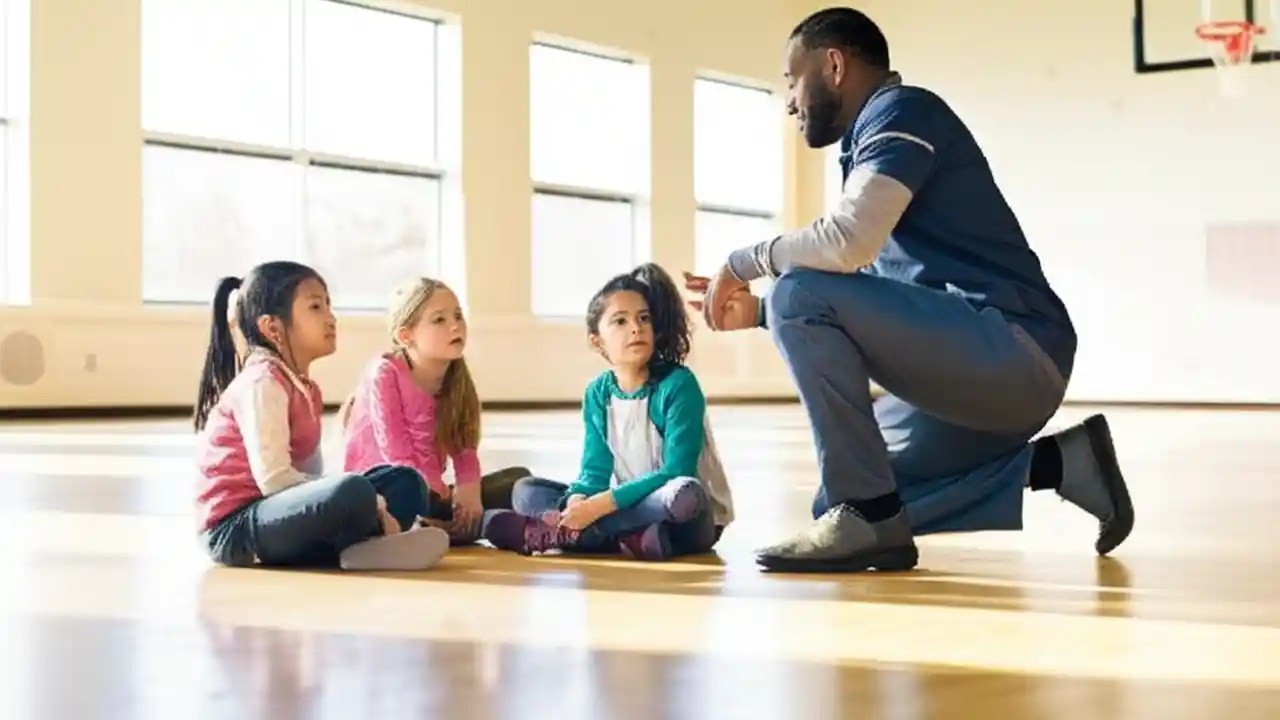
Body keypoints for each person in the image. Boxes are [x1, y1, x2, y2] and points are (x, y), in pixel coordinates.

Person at [685, 7, 1133, 572]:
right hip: (979, 370)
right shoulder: (871, 142)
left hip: (1014, 348)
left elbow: (847, 242)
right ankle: (1062, 464)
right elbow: (875, 288)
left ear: (834, 65)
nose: (790, 103)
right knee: (850, 496)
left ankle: (869, 516)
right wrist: (758, 311)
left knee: (798, 297)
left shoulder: (902, 111)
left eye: (792, 81)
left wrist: (743, 263)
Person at [194, 261, 450, 571]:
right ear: (272, 328)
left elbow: (309, 477)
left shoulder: (304, 387)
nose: (331, 317)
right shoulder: (263, 383)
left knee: (406, 482)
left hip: (276, 511)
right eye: (316, 307)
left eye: (329, 306)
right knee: (353, 491)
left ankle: (360, 548)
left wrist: (365, 496)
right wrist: (370, 500)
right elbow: (275, 480)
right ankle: (361, 545)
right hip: (235, 530)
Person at [483, 263, 735, 561]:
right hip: (632, 509)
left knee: (684, 494)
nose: (636, 328)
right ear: (596, 340)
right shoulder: (597, 393)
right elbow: (594, 473)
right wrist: (578, 500)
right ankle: (631, 539)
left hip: (686, 517)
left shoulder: (678, 385)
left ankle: (569, 535)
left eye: (644, 318)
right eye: (620, 321)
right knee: (526, 491)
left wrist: (596, 508)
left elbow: (675, 471)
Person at [341, 277, 532, 544]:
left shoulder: (457, 377)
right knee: (410, 489)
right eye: (439, 320)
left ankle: (448, 527)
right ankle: (452, 527)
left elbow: (464, 447)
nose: (455, 326)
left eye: (458, 316)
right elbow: (397, 454)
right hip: (388, 491)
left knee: (520, 481)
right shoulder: (384, 373)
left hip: (433, 494)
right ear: (406, 335)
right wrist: (437, 491)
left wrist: (469, 492)